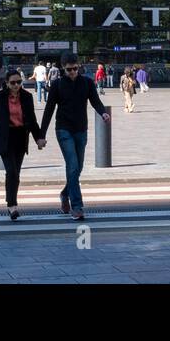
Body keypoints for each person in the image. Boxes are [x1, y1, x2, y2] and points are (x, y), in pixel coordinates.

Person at [39, 54, 110, 221]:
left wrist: (103, 113)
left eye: (75, 69)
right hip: (63, 129)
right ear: (63, 68)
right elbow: (49, 109)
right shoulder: (57, 85)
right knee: (72, 165)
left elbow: (95, 101)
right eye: (69, 69)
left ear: (79, 67)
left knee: (78, 168)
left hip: (81, 129)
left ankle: (65, 194)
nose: (72, 72)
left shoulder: (87, 83)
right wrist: (41, 135)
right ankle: (76, 206)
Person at [0, 70, 43, 220]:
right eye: (13, 82)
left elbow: (32, 120)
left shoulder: (27, 97)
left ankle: (12, 201)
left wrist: (39, 138)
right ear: (7, 83)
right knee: (12, 172)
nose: (16, 85)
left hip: (21, 137)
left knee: (16, 173)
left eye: (19, 82)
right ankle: (12, 205)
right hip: (4, 138)